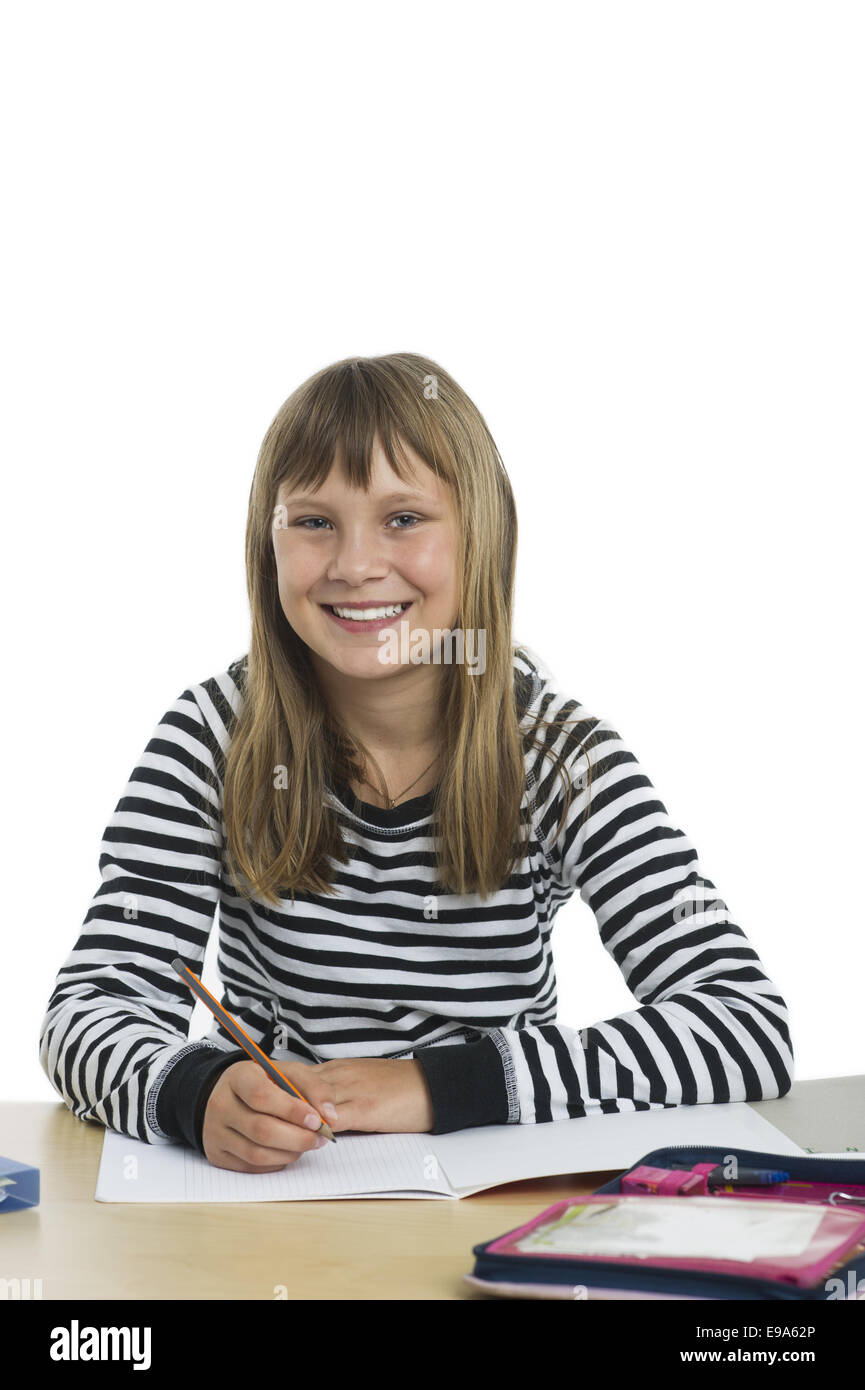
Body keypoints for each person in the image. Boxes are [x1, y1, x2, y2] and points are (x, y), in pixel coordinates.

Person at [39, 352, 794, 1173]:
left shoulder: (561, 757)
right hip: (275, 1214)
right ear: (269, 544)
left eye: (403, 519)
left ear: (480, 535)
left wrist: (438, 1086)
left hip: (492, 1192)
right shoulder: (210, 740)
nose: (356, 565)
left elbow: (743, 1025)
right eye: (314, 521)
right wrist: (196, 1091)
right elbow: (88, 1009)